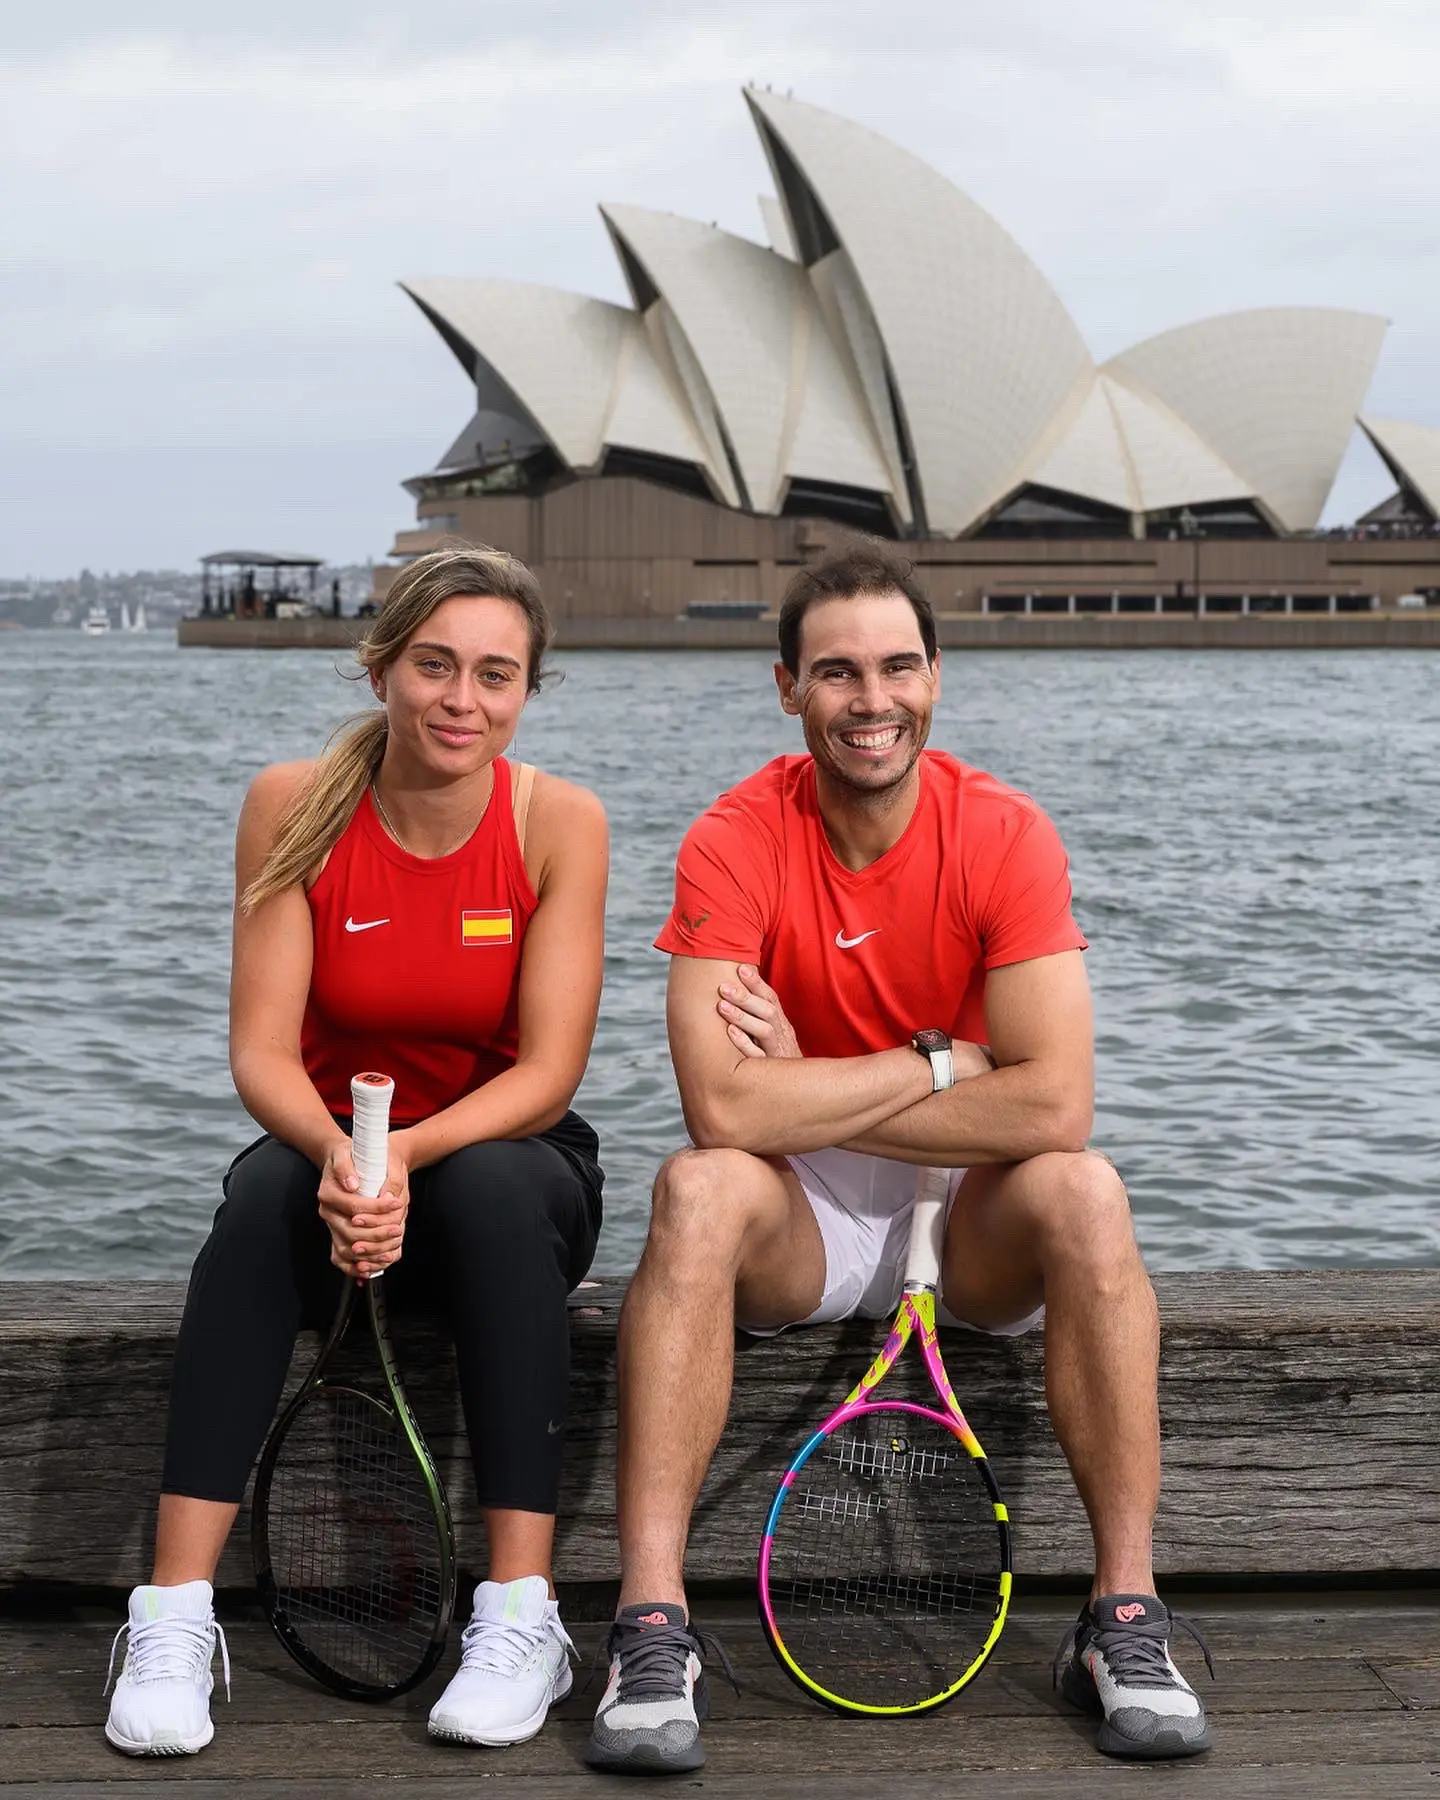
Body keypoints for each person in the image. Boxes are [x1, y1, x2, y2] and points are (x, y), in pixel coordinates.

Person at [586, 544, 1212, 1773]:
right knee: (695, 1188)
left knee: (1088, 1192)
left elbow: (1057, 1106)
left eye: (897, 667)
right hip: (803, 1214)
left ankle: (1126, 1615)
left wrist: (804, 1090)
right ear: (787, 687)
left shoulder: (1005, 834)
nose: (872, 700)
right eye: (837, 672)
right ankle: (651, 1626)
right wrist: (940, 1064)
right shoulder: (733, 838)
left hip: (970, 1215)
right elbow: (721, 1109)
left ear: (936, 675)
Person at [105, 547, 608, 1757]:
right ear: (380, 667)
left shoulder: (559, 822)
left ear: (528, 690)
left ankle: (521, 1617)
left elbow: (548, 1075)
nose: (462, 699)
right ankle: (171, 1619)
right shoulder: (292, 803)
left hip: (507, 1163)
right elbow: (262, 1052)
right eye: (434, 665)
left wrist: (407, 1157)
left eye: (495, 674)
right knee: (255, 1207)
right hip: (334, 1159)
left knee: (488, 1191)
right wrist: (345, 1158)